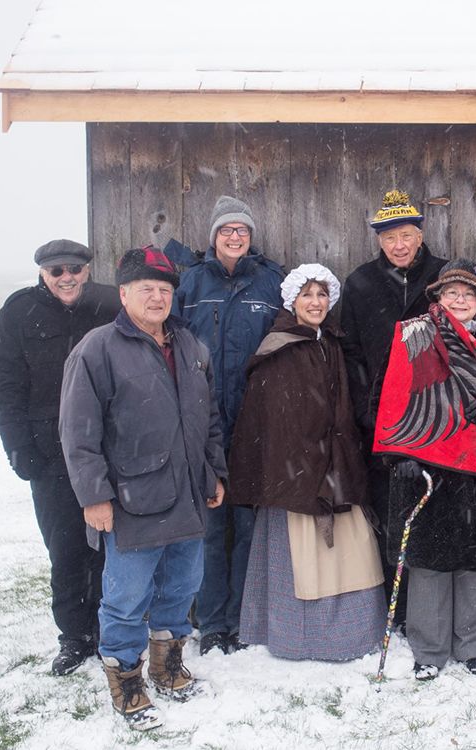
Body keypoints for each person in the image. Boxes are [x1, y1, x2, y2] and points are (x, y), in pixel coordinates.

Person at [59, 248, 227, 730]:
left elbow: (209, 419)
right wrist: (94, 496)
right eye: (147, 289)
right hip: (131, 500)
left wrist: (214, 471)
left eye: (165, 290)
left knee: (181, 588)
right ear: (124, 293)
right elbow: (78, 431)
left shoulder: (191, 347)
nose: (157, 297)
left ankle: (167, 668)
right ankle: (127, 681)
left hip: (190, 495)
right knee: (126, 597)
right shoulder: (97, 349)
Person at [373, 259, 476, 680]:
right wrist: (398, 453)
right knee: (429, 561)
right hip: (427, 465)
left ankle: (475, 646)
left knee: (475, 561)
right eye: (452, 292)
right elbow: (388, 395)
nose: (460, 300)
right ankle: (429, 649)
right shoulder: (413, 334)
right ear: (438, 297)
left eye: (469, 293)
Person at [228, 264, 385, 660]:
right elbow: (274, 418)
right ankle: (298, 637)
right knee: (299, 557)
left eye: (321, 296)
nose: (315, 303)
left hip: (337, 467)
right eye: (307, 296)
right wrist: (305, 461)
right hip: (296, 474)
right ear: (292, 301)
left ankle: (349, 634)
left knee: (350, 553)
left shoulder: (330, 341)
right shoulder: (280, 347)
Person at [151, 196, 284, 655]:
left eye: (242, 231)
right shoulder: (189, 282)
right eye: (227, 229)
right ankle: (211, 623)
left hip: (254, 425)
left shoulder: (272, 282)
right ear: (213, 236)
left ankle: (242, 619)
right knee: (209, 528)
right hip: (203, 426)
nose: (234, 237)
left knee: (247, 527)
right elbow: (166, 341)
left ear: (251, 238)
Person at [0, 239, 121, 676]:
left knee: (107, 547)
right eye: (57, 270)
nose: (67, 277)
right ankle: (74, 636)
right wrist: (18, 447)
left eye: (75, 268)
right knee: (64, 549)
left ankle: (107, 630)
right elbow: (6, 384)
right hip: (49, 454)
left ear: (87, 268)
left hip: (106, 448)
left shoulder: (108, 303)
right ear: (43, 273)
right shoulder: (18, 311)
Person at [340, 189, 447, 626]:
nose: (398, 245)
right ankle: (393, 611)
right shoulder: (361, 283)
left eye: (406, 235)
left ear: (420, 235)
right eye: (389, 237)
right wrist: (369, 409)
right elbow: (350, 352)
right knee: (388, 516)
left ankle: (429, 612)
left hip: (436, 419)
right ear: (379, 241)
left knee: (432, 513)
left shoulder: (444, 278)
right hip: (381, 423)